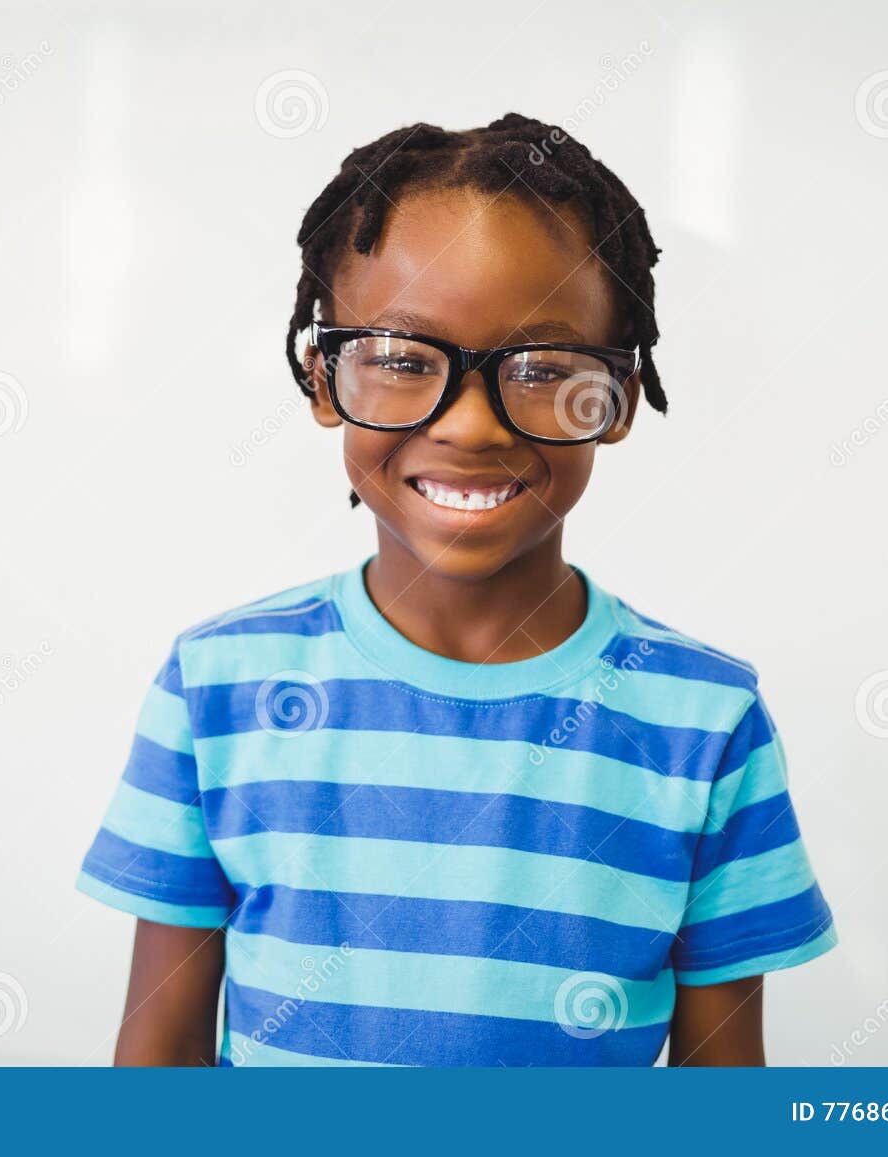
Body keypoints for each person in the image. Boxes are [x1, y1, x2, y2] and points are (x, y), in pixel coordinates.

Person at [77, 113, 835, 1066]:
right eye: (402, 359)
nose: (472, 427)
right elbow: (157, 1055)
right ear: (323, 379)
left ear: (618, 398)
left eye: (544, 368)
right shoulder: (215, 686)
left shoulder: (706, 721)